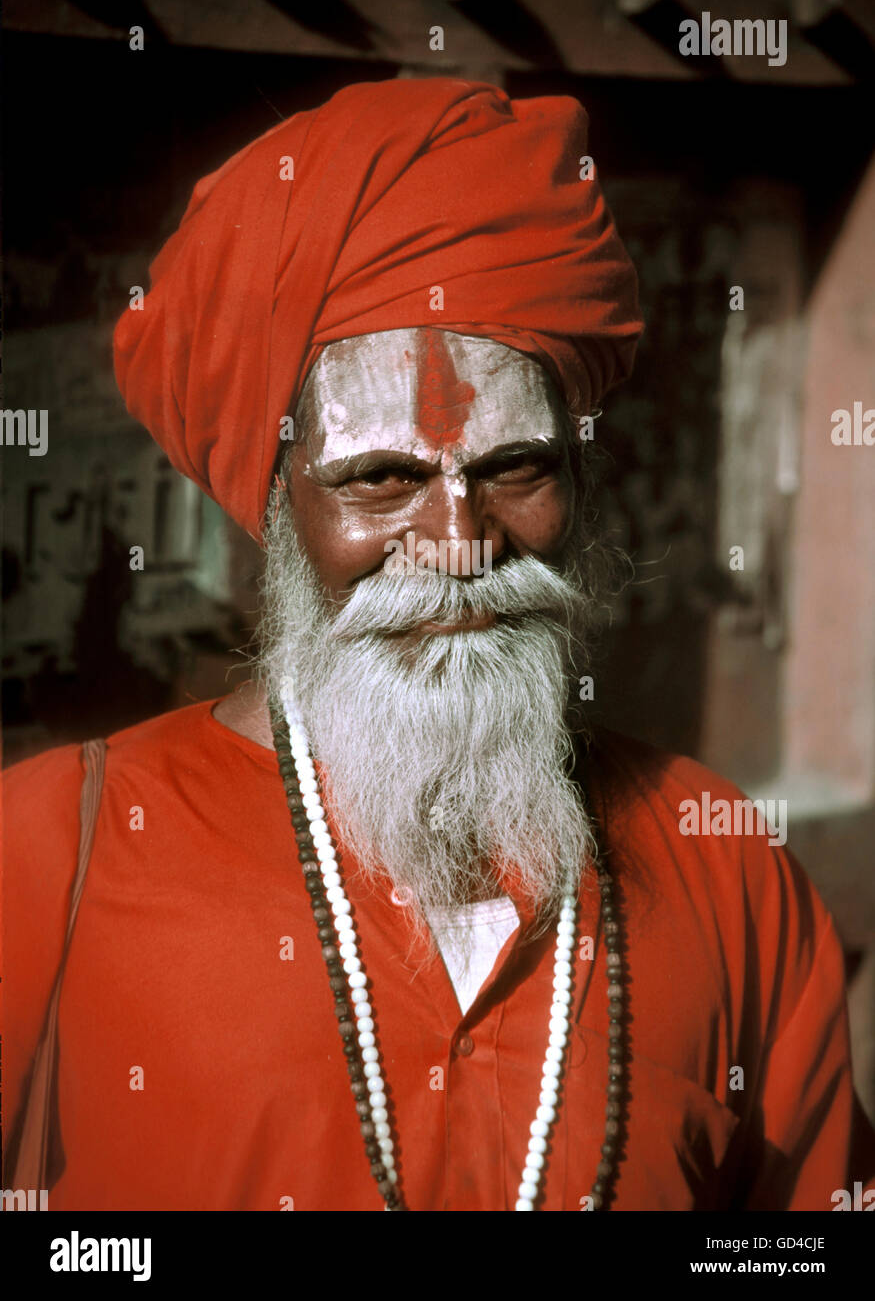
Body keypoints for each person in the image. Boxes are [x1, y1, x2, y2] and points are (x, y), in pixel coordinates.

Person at [3, 78, 872, 1212]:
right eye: (380, 479)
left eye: (515, 468)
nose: (459, 542)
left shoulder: (725, 869)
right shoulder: (46, 857)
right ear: (275, 505)